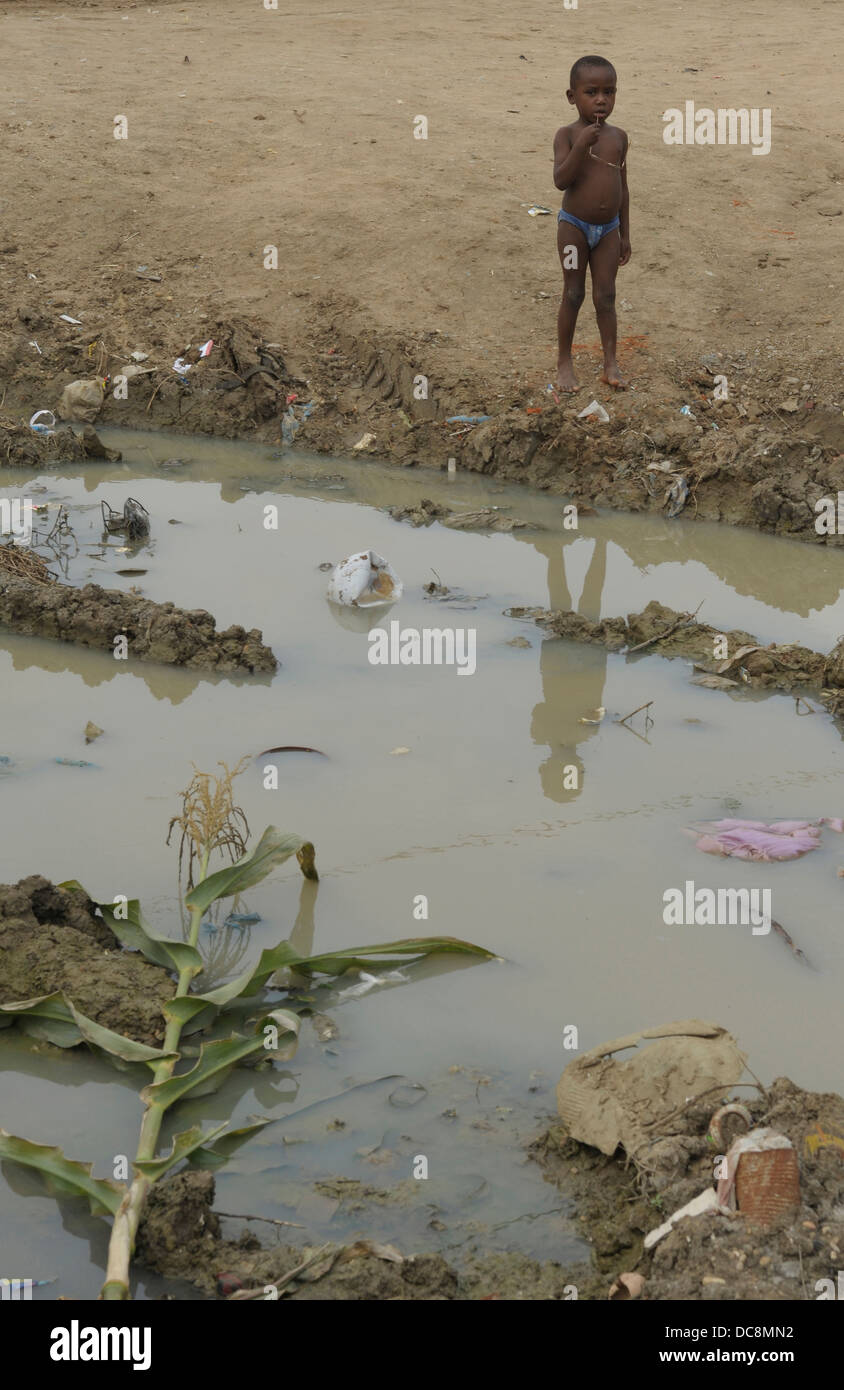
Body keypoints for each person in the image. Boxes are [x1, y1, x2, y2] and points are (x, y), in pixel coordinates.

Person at [552, 55, 631, 392]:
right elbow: (560, 180)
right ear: (573, 97)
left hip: (609, 231)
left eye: (609, 92)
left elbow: (623, 187)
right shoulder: (567, 135)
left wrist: (625, 233)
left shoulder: (619, 138)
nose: (601, 99)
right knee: (573, 292)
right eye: (591, 92)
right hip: (574, 229)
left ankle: (610, 363)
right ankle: (564, 362)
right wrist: (582, 147)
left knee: (607, 296)